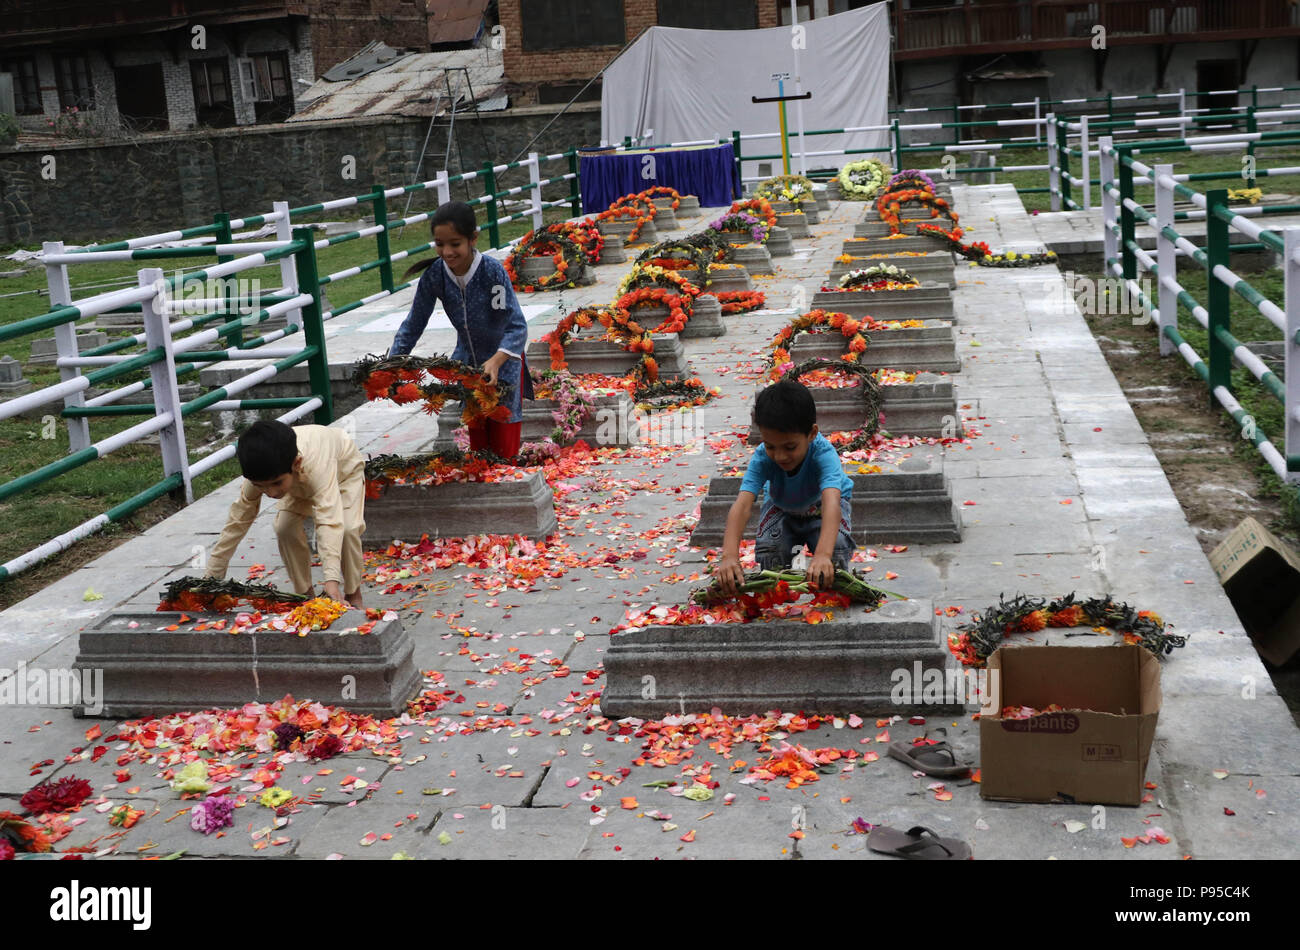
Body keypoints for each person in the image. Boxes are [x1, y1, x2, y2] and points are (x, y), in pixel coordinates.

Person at [388, 201, 533, 459]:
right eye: (440, 244)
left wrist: (497, 361)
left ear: (472, 239)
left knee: (504, 450)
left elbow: (517, 326)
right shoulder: (435, 276)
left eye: (455, 244)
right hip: (467, 368)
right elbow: (413, 324)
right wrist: (393, 366)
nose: (447, 252)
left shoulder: (492, 272)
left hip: (504, 365)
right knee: (478, 447)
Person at [205, 420, 366, 608]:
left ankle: (354, 594)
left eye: (276, 483)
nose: (271, 494)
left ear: (296, 463)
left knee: (347, 529)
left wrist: (331, 582)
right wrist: (212, 578)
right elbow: (237, 521)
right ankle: (305, 595)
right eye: (260, 486)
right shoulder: (262, 471)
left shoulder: (317, 465)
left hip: (342, 472)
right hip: (297, 481)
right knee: (284, 527)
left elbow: (329, 521)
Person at [715, 379, 855, 595]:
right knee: (771, 552)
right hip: (782, 506)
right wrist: (729, 557)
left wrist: (823, 555)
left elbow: (831, 503)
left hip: (821, 508)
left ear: (812, 433)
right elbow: (742, 505)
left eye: (790, 447)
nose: (780, 456)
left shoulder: (824, 454)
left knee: (834, 550)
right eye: (770, 446)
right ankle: (780, 591)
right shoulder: (762, 458)